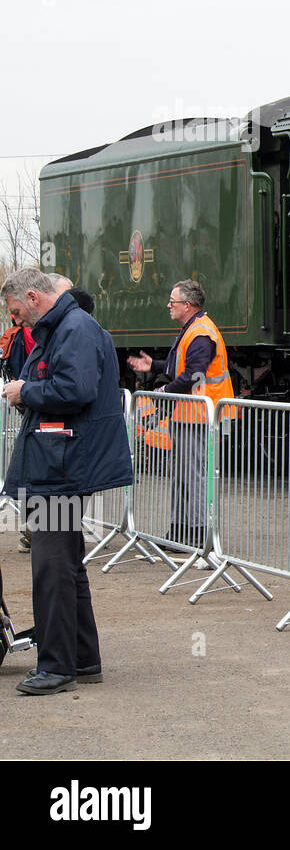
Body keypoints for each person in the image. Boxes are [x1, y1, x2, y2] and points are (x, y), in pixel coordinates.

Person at [1, 268, 132, 695]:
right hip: (62, 461)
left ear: (35, 298)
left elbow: (75, 389)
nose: (18, 321)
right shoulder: (71, 326)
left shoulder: (73, 328)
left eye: (19, 312)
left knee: (51, 567)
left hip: (61, 467)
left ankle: (57, 666)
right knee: (68, 566)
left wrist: (26, 391)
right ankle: (82, 656)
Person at [126, 280, 233, 550]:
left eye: (172, 302)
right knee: (183, 474)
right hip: (190, 415)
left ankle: (196, 533)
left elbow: (193, 374)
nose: (168, 306)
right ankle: (181, 531)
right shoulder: (195, 330)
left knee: (192, 475)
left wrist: (163, 390)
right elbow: (185, 367)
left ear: (187, 305)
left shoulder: (199, 333)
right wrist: (156, 366)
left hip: (198, 416)